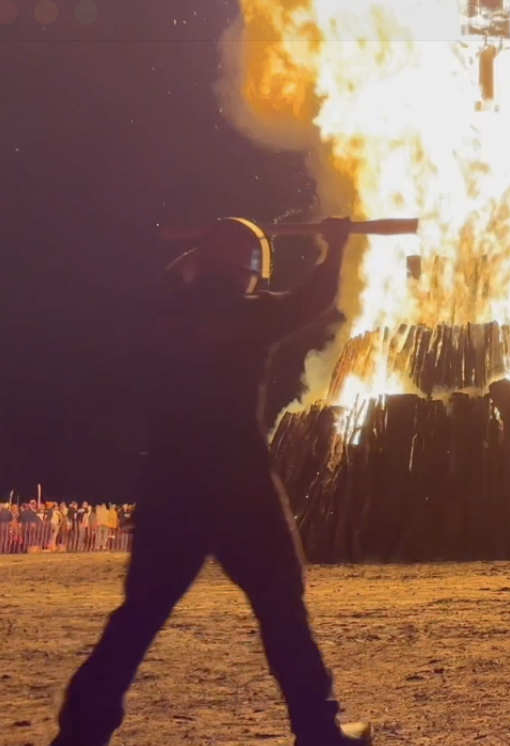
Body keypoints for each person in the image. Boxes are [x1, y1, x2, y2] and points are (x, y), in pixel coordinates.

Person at [51, 217, 371, 746]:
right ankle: (318, 729)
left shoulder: (160, 314)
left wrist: (201, 247)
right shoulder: (254, 315)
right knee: (281, 607)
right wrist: (334, 246)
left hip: (169, 486)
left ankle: (81, 731)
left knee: (140, 613)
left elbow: (171, 285)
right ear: (251, 272)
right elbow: (313, 298)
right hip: (238, 488)